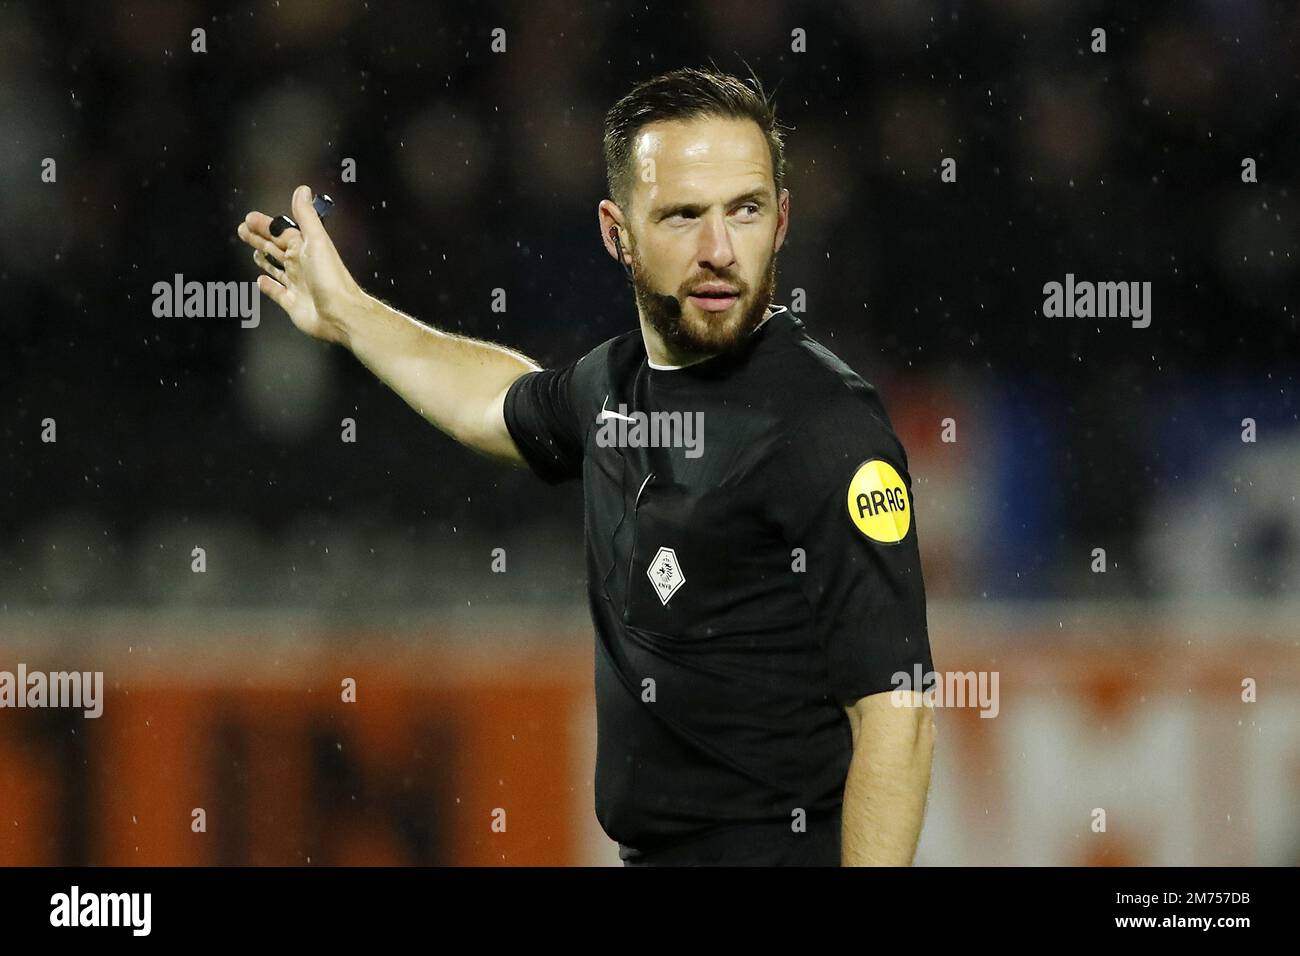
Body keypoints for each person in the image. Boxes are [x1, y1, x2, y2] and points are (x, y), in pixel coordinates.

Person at [236, 66, 936, 866]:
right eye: (682, 216)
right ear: (617, 232)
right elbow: (493, 400)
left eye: (743, 211)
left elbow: (896, 709)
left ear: (781, 220)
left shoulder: (826, 427)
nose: (718, 250)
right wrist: (352, 315)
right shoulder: (614, 385)